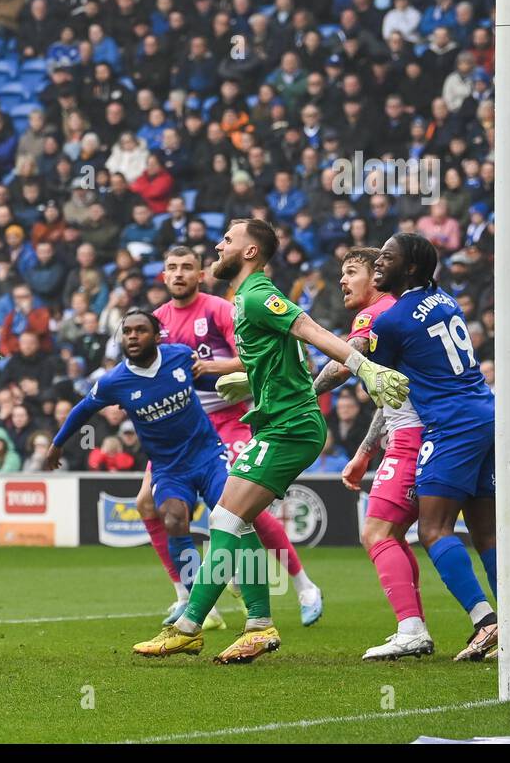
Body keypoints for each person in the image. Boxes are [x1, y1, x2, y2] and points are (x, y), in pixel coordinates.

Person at [137, 219, 408, 663]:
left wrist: (365, 367)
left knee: (225, 518)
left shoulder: (260, 295)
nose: (218, 246)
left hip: (292, 426)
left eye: (227, 240)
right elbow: (290, 356)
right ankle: (259, 626)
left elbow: (310, 332)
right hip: (278, 421)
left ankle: (188, 627)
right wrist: (247, 382)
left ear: (249, 253)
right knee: (237, 522)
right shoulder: (242, 300)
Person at [48, 309, 240, 649]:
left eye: (140, 330)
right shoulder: (114, 381)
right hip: (168, 467)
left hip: (207, 453)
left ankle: (246, 592)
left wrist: (250, 384)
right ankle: (198, 606)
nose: (132, 336)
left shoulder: (180, 357)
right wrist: (57, 444)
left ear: (157, 336)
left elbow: (215, 382)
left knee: (231, 516)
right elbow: (83, 410)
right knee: (172, 518)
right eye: (127, 331)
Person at [151, 244, 322, 625]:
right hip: (182, 426)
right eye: (171, 267)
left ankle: (304, 585)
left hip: (228, 420)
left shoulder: (222, 309)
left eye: (187, 267)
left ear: (201, 275)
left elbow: (252, 357)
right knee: (151, 504)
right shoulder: (156, 320)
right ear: (163, 276)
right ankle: (191, 597)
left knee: (245, 508)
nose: (179, 274)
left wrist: (211, 367)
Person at [365, 232, 499, 662]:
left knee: (433, 529)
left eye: (386, 258)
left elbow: (370, 374)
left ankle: (485, 622)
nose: (377, 264)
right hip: (485, 413)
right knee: (487, 533)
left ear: (410, 268)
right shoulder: (444, 299)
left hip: (451, 426)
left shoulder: (391, 320)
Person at [312, 247, 432, 660]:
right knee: (400, 536)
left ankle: (413, 627)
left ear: (376, 278)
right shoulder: (400, 312)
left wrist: (302, 397)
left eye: (351, 272)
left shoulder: (376, 312)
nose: (343, 281)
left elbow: (347, 362)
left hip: (413, 437)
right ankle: (467, 623)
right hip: (430, 432)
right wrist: (365, 451)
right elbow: (388, 397)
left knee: (375, 533)